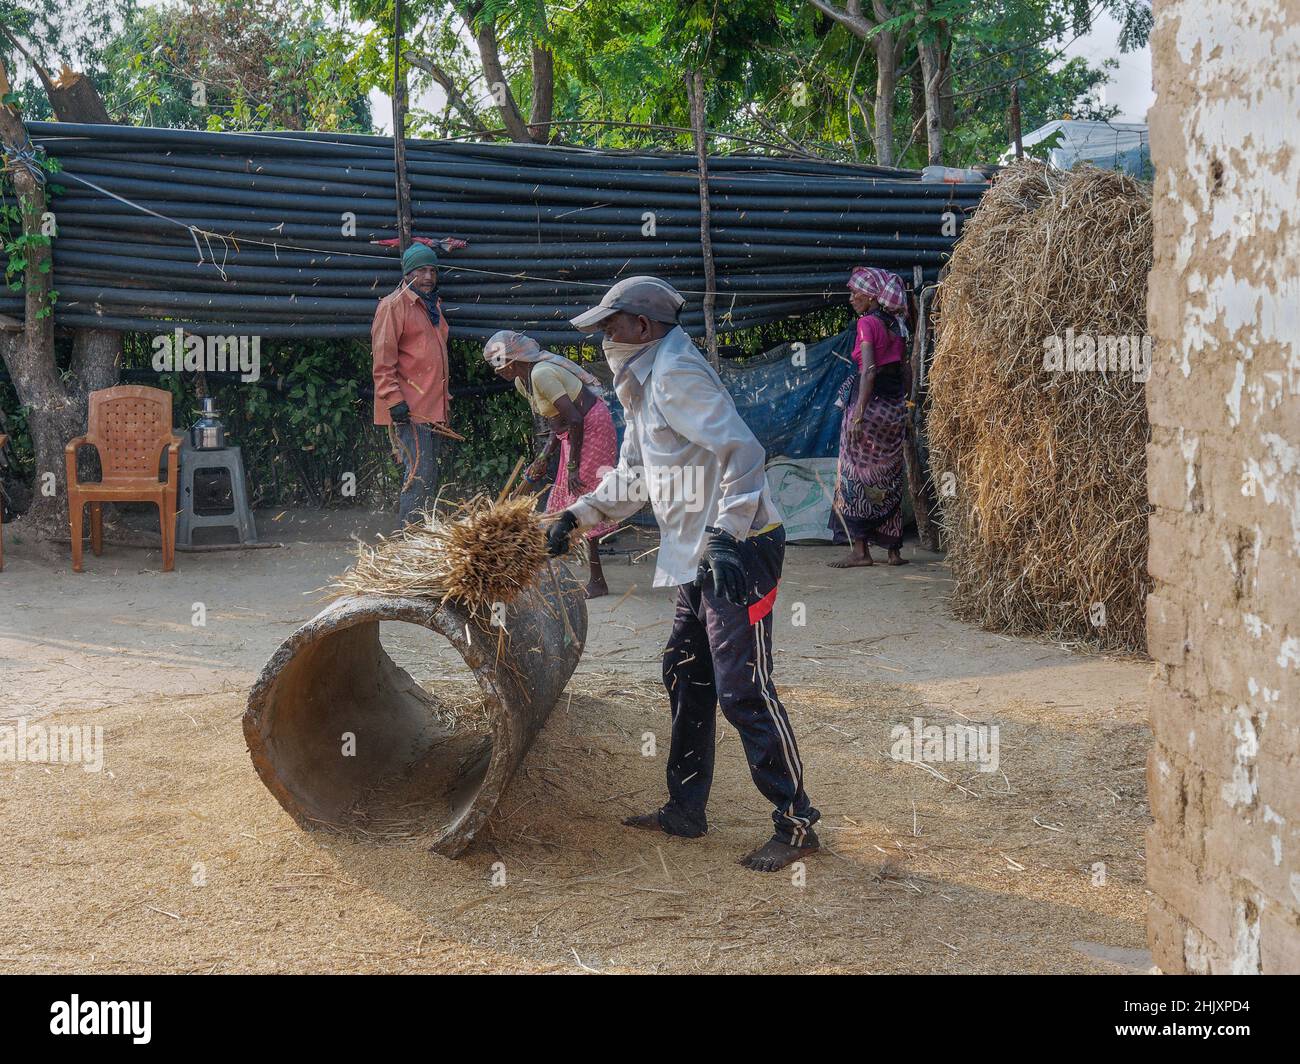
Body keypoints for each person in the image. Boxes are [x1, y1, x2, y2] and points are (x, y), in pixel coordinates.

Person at [545, 276, 820, 873]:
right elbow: (636, 476)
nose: (601, 340)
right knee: (685, 671)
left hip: (738, 547)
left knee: (742, 688)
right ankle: (685, 809)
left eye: (608, 327)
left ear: (641, 327)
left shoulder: (675, 375)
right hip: (701, 551)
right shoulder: (642, 382)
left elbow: (744, 452)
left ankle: (796, 823)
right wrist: (576, 515)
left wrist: (726, 531)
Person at [483, 329, 618, 598]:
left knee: (581, 494)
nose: (496, 371)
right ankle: (547, 573)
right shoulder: (524, 382)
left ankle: (597, 581)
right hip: (576, 430)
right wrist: (544, 457)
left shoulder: (541, 373)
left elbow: (576, 419)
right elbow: (558, 425)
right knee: (560, 499)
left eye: (498, 363)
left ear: (513, 358)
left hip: (592, 425)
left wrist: (572, 467)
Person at [828, 265, 913, 568]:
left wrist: (858, 415)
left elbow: (870, 370)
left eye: (855, 292)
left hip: (870, 406)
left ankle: (861, 551)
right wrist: (906, 404)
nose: (851, 298)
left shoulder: (867, 324)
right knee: (889, 475)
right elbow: (904, 368)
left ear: (872, 296)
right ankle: (893, 552)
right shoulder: (898, 325)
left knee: (855, 475)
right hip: (894, 408)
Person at [371, 242, 450, 526]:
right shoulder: (393, 306)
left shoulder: (433, 307)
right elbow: (382, 362)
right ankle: (409, 542)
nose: (428, 276)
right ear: (407, 273)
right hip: (410, 409)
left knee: (426, 475)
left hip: (433, 408)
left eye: (432, 270)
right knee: (418, 474)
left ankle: (418, 536)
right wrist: (394, 402)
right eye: (420, 270)